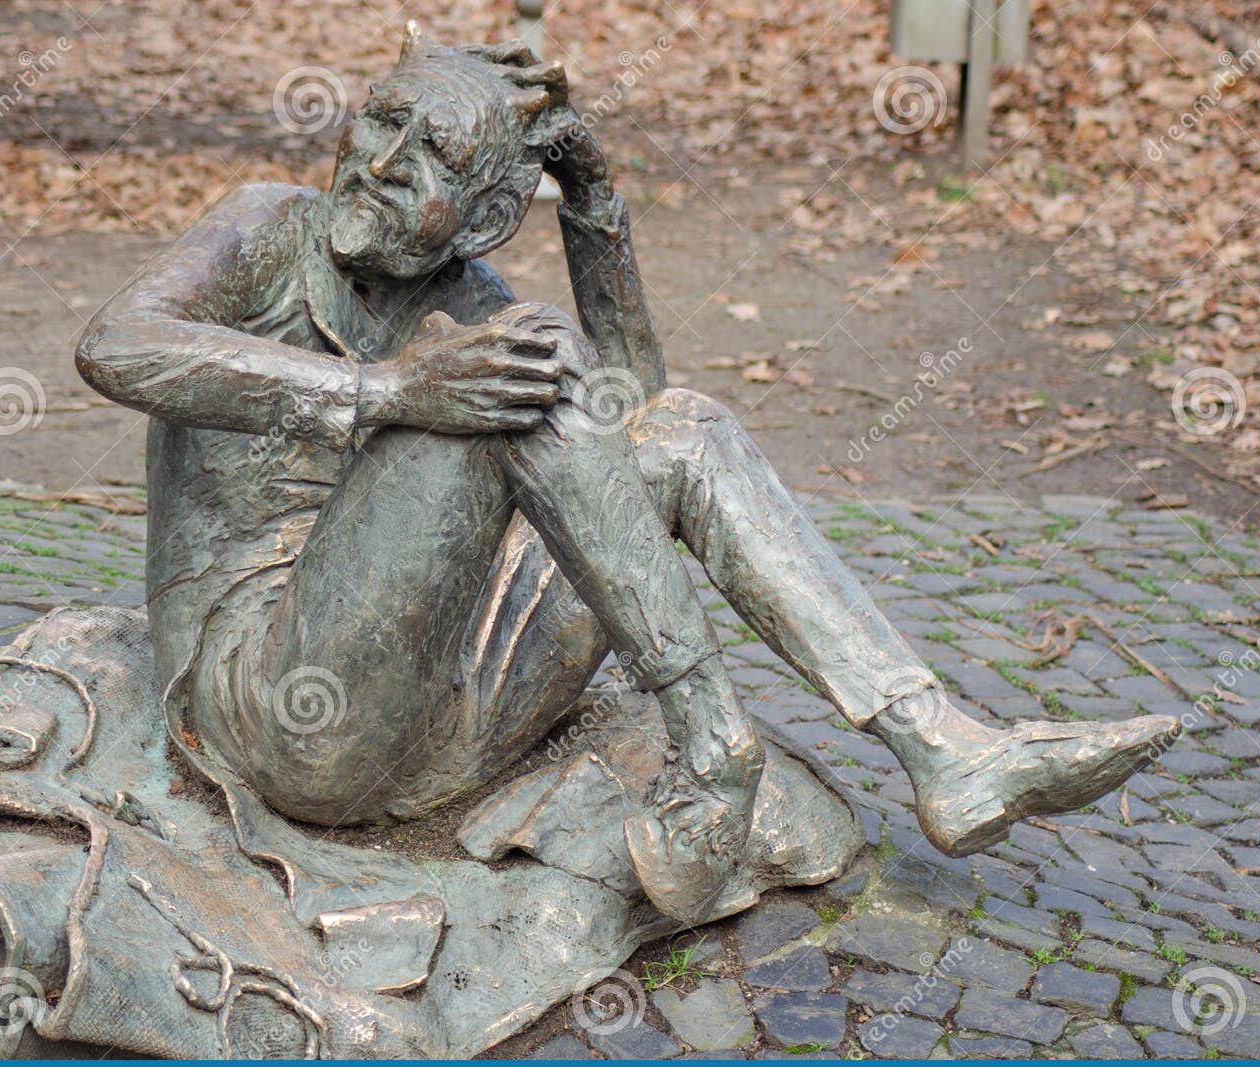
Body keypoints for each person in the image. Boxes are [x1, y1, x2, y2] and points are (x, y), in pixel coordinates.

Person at [76, 27, 1177, 923]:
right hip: (282, 714)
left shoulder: (475, 301)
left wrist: (593, 198)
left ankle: (941, 746)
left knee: (680, 431)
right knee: (518, 370)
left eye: (432, 157)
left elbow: (625, 417)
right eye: (377, 119)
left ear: (494, 214)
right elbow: (115, 343)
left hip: (436, 711)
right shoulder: (271, 227)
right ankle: (715, 743)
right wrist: (388, 394)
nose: (376, 161)